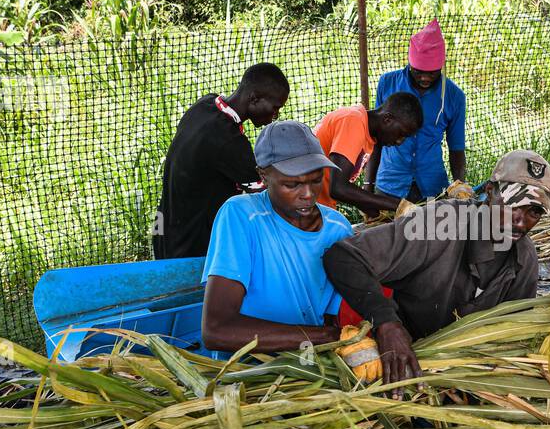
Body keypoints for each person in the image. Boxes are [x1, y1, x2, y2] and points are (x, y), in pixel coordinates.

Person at [323, 150, 550, 388]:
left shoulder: (524, 258)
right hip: (401, 358)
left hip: (462, 372)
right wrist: (386, 323)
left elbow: (514, 332)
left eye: (534, 211)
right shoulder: (439, 224)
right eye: (512, 205)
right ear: (489, 192)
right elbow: (343, 256)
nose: (520, 220)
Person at [200, 121, 353, 353]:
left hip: (310, 368)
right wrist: (323, 337)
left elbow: (335, 316)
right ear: (264, 175)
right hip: (248, 375)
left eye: (315, 180)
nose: (308, 195)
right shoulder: (241, 216)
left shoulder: (337, 228)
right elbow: (216, 329)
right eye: (292, 184)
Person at [154, 63, 289, 260]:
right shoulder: (228, 140)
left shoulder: (205, 105)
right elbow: (269, 195)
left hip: (164, 230)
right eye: (275, 107)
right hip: (190, 246)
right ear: (254, 99)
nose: (276, 115)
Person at [371, 20, 471, 203]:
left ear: (441, 67)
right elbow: (375, 139)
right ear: (410, 63)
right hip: (389, 186)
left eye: (432, 73)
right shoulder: (388, 83)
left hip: (432, 187)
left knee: (430, 231)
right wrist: (368, 187)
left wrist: (460, 186)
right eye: (418, 72)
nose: (425, 77)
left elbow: (456, 148)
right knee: (385, 231)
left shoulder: (454, 96)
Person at [314, 93, 424, 216]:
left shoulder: (368, 133)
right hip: (305, 208)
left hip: (320, 207)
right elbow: (338, 188)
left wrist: (374, 213)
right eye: (401, 134)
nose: (399, 142)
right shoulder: (353, 121)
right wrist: (399, 205)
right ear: (387, 119)